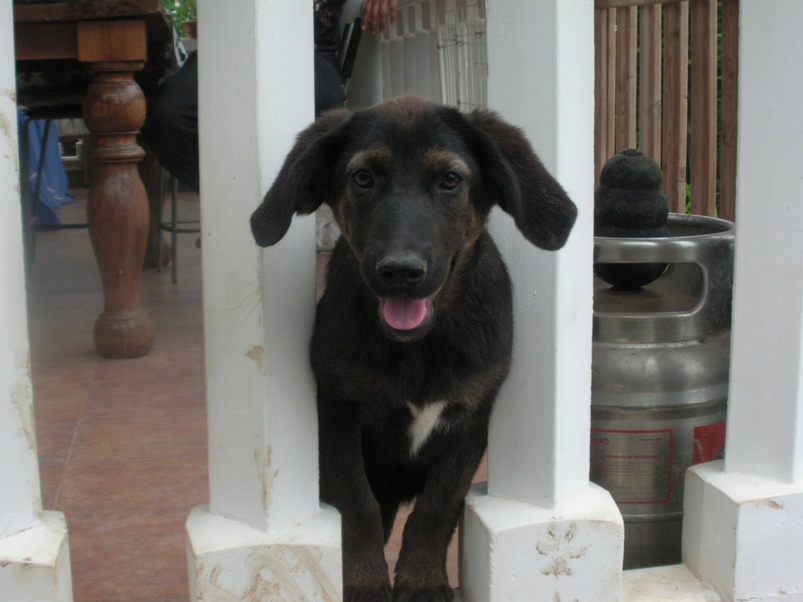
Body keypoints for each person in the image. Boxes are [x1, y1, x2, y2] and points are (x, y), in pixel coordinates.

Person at [142, 0, 398, 194]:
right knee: (169, 118)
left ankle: (266, 209)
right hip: (228, 44)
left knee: (326, 125)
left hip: (311, 51)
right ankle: (242, 206)